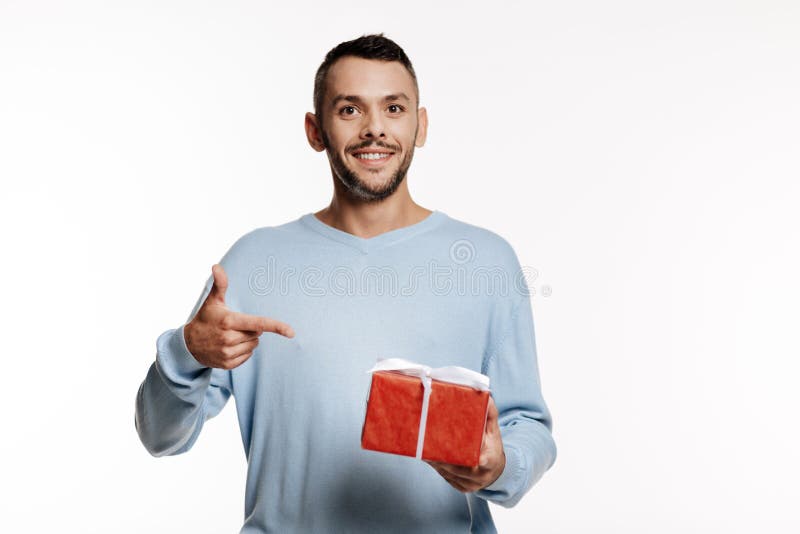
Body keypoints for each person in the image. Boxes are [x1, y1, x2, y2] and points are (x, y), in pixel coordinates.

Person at [135, 33, 556, 534]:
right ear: (316, 130)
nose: (375, 129)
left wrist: (501, 466)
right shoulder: (251, 264)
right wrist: (186, 352)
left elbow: (528, 426)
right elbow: (160, 437)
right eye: (350, 110)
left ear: (420, 126)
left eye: (394, 108)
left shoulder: (487, 261)